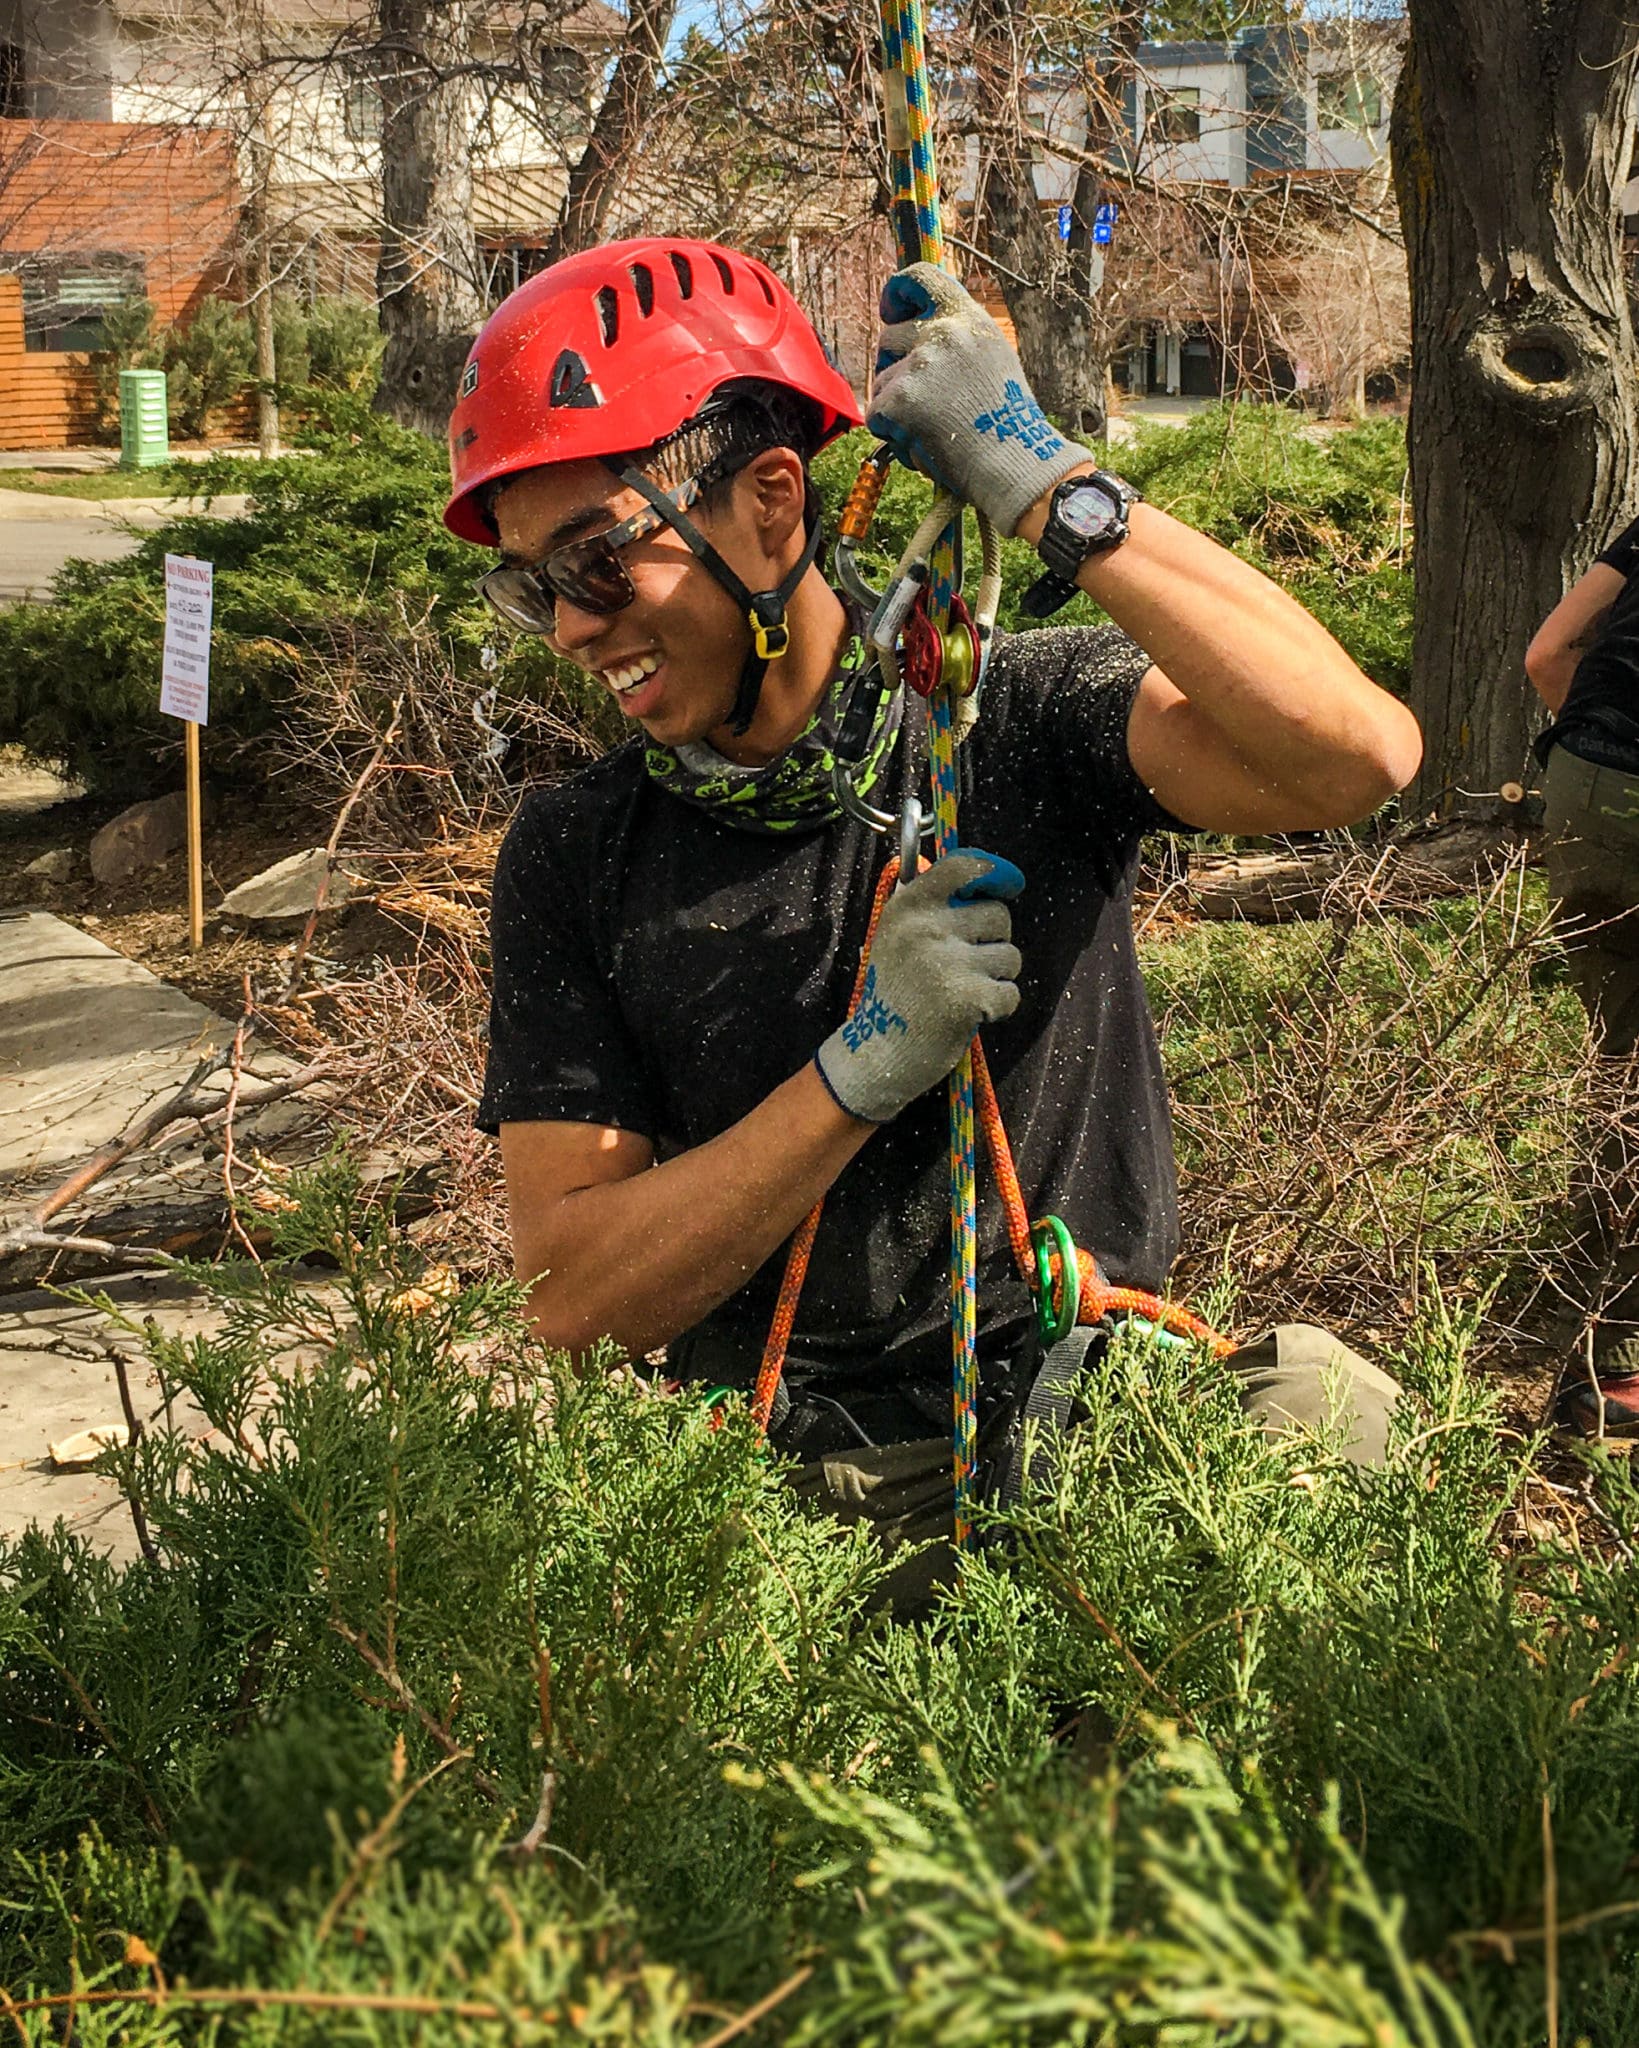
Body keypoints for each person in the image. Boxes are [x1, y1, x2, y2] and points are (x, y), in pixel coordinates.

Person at [449, 238, 1421, 1590]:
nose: (563, 625)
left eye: (597, 560)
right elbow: (573, 1298)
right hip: (796, 1470)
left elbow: (1355, 757)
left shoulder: (1006, 724)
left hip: (1077, 1403)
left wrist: (1049, 486)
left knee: (1330, 1417)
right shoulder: (576, 851)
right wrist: (852, 1077)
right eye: (528, 583)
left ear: (770, 501)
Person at [1527, 516, 1639, 1431]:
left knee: (1621, 1078)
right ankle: (1615, 1374)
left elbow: (1547, 655)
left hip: (1581, 783)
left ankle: (1581, 1326)